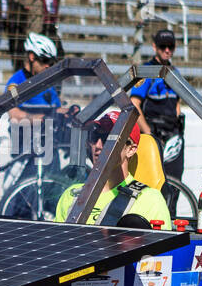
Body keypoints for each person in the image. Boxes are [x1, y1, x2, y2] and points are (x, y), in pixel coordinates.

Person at [54, 113, 171, 229]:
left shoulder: (149, 199)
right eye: (94, 137)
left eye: (108, 138)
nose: (98, 145)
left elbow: (165, 247)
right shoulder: (72, 195)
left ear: (130, 150)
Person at [129, 28, 184, 201]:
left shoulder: (175, 72)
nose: (167, 50)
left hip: (173, 135)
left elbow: (177, 104)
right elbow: (134, 104)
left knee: (174, 184)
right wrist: (148, 133)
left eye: (171, 46)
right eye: (163, 46)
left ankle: (171, 220)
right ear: (155, 47)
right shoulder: (146, 72)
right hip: (154, 133)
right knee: (152, 183)